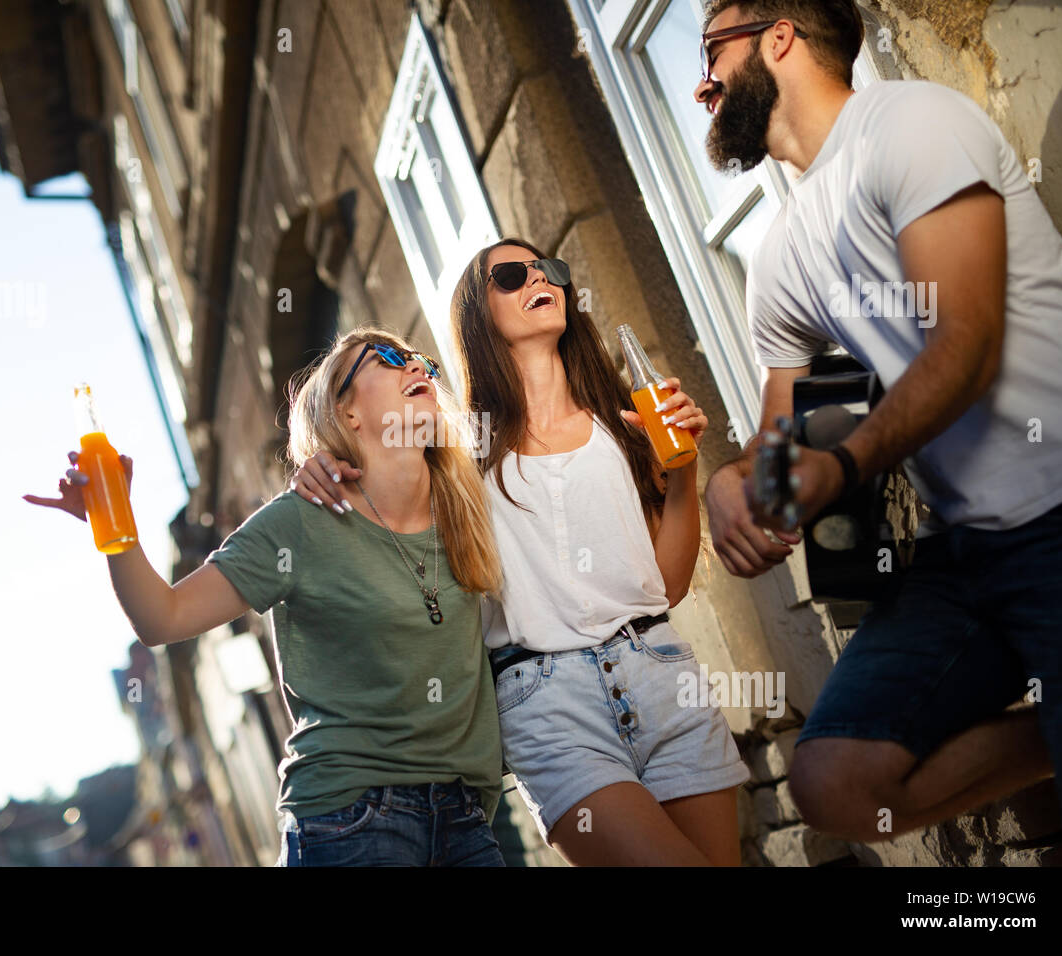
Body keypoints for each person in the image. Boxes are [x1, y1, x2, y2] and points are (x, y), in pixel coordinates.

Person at [693, 0, 1062, 860]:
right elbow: (779, 450)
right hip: (968, 556)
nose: (700, 84)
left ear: (779, 37)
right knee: (833, 779)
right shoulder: (780, 255)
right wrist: (733, 482)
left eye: (711, 52)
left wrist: (844, 466)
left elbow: (968, 342)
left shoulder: (909, 125)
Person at [293, 239, 750, 865]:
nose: (539, 277)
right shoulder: (458, 450)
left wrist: (686, 470)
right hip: (548, 705)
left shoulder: (625, 423)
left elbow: (665, 586)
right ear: (476, 317)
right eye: (511, 275)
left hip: (660, 671)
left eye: (548, 269)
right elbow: (372, 460)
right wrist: (323, 462)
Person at [23, 327, 508, 866]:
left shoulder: (469, 504)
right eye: (390, 358)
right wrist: (113, 526)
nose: (417, 366)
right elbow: (162, 618)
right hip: (353, 817)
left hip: (466, 817)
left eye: (421, 361)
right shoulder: (300, 522)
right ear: (346, 412)